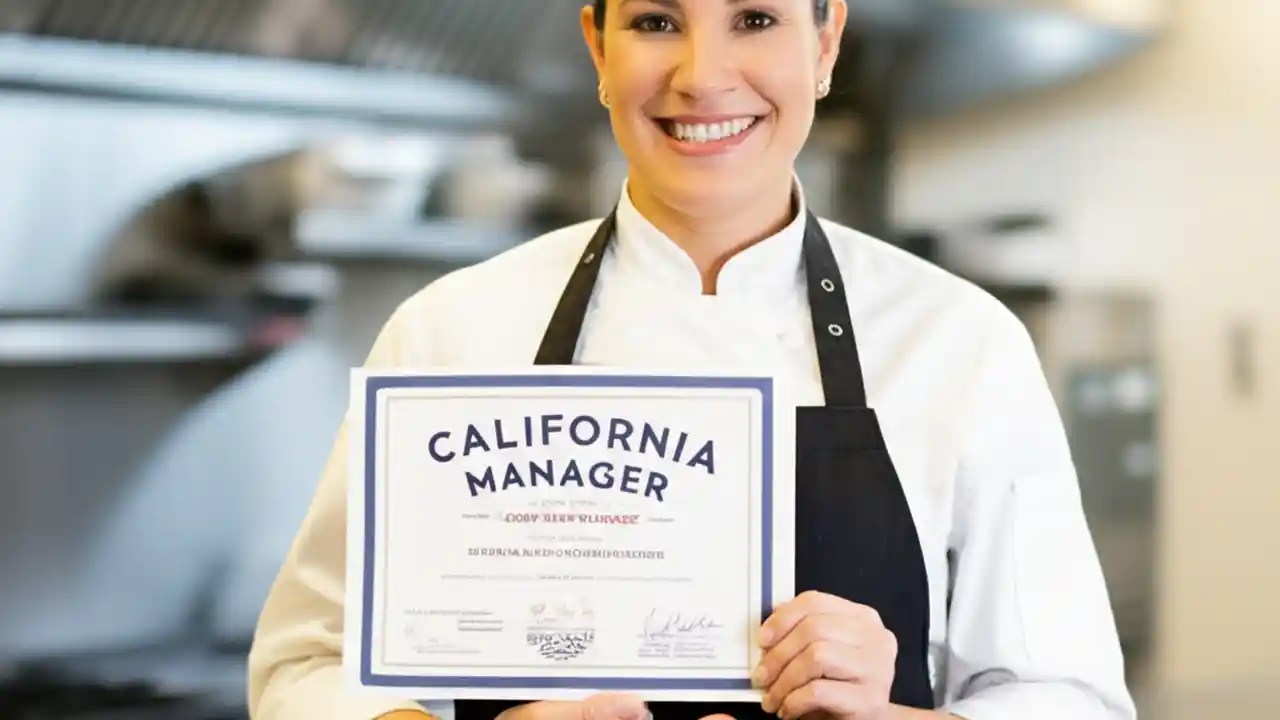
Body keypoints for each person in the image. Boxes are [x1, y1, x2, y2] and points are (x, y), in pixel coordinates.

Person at [247, 1, 1137, 719]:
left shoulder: (958, 342)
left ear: (825, 43)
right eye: (656, 22)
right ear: (597, 45)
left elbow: (1072, 700)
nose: (703, 76)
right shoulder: (450, 329)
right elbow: (304, 666)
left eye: (755, 19)